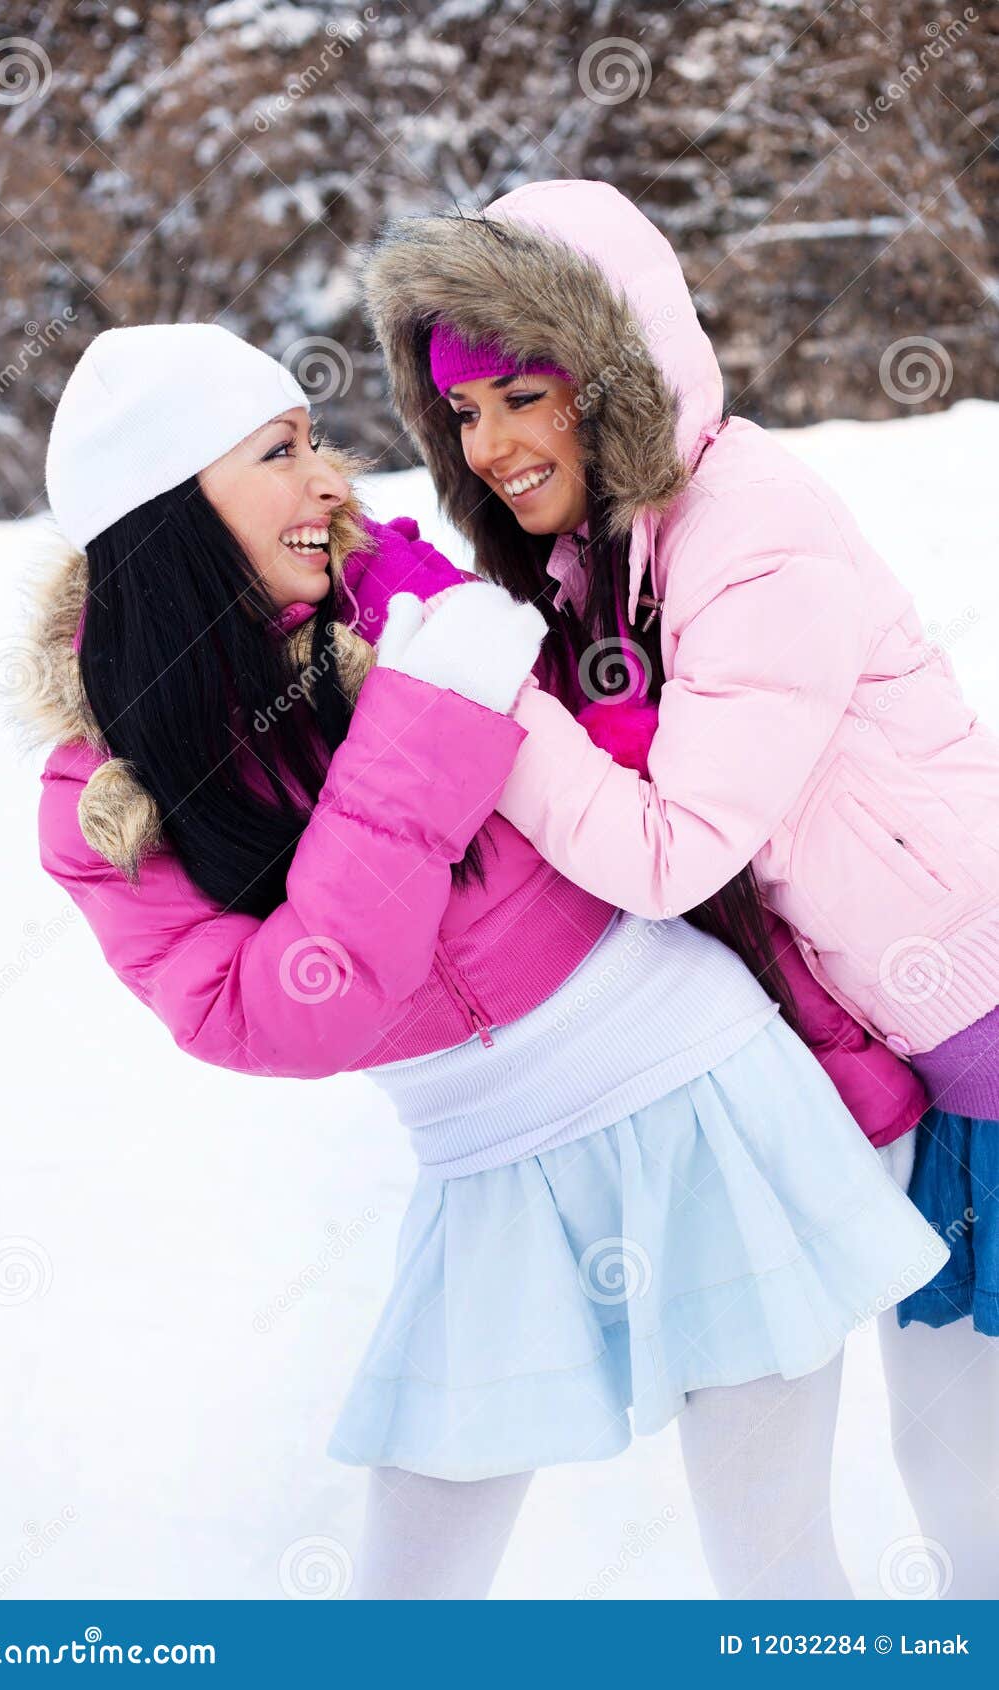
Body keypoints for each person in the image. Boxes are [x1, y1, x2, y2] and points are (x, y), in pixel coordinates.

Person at [22, 321, 946, 1600]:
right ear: (173, 511)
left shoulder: (403, 603)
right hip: (479, 1168)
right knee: (408, 1596)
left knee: (774, 1562)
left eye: (314, 439)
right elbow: (277, 1016)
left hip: (699, 1093)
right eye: (277, 452)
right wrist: (422, 720)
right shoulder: (101, 798)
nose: (330, 480)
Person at [364, 177, 999, 1595]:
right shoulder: (613, 554)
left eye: (523, 392)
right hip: (912, 1056)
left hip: (983, 1024)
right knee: (956, 1480)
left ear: (612, 369)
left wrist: (483, 694)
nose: (495, 444)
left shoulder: (743, 523)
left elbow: (667, 850)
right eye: (462, 412)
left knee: (967, 1479)